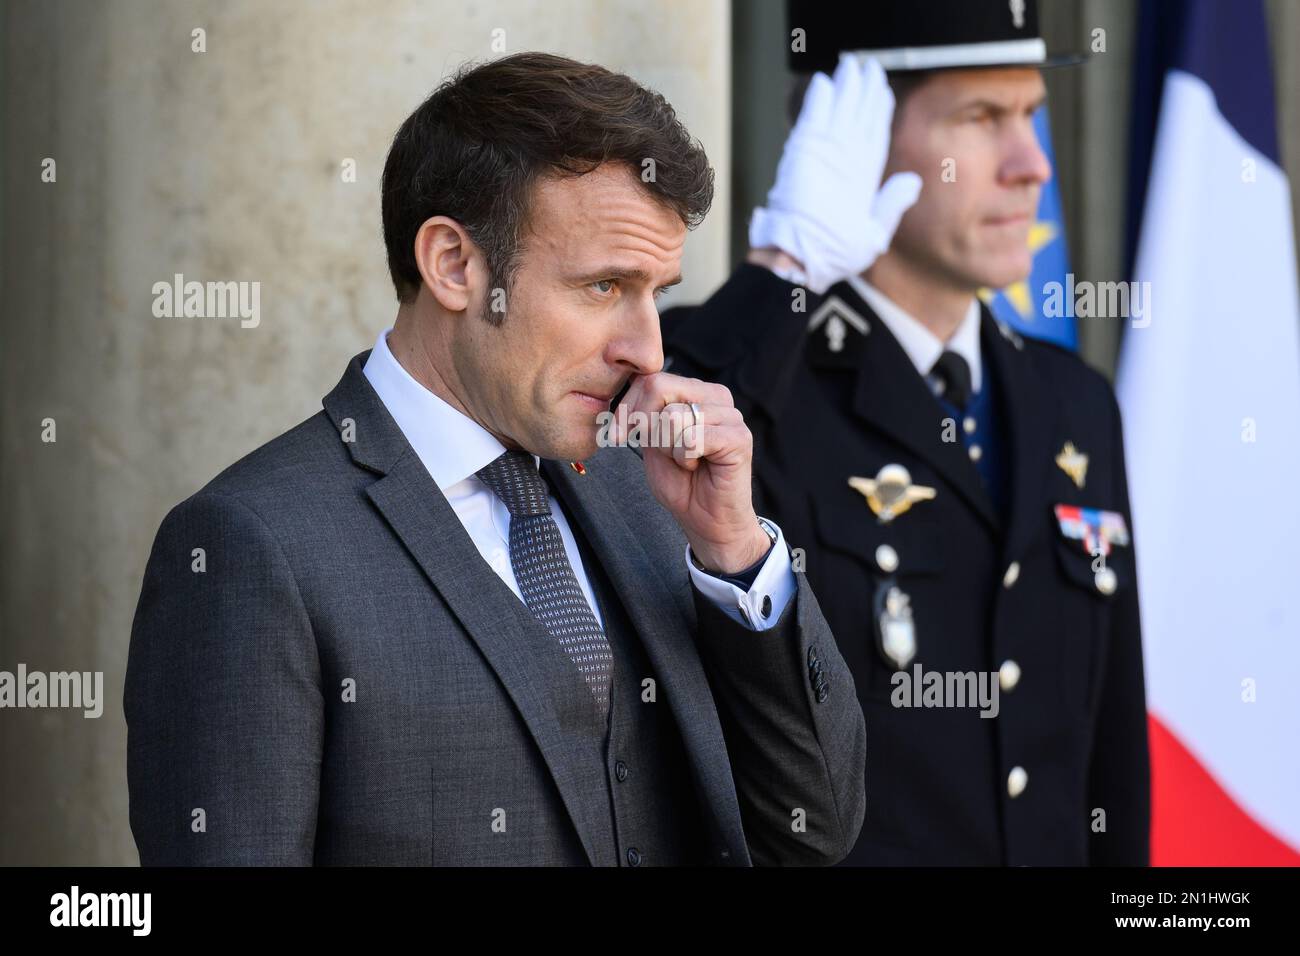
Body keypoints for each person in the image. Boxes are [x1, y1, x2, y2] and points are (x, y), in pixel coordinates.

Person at [124, 52, 866, 867]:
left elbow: (816, 831)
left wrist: (735, 553)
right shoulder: (253, 545)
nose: (648, 351)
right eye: (603, 287)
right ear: (454, 264)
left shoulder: (655, 493)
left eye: (656, 291)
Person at [663, 1, 1150, 865]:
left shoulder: (1073, 400)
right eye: (980, 118)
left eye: (1031, 115)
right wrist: (789, 270)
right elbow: (655, 444)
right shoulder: (757, 381)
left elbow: (1111, 757)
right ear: (856, 139)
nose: (1032, 165)